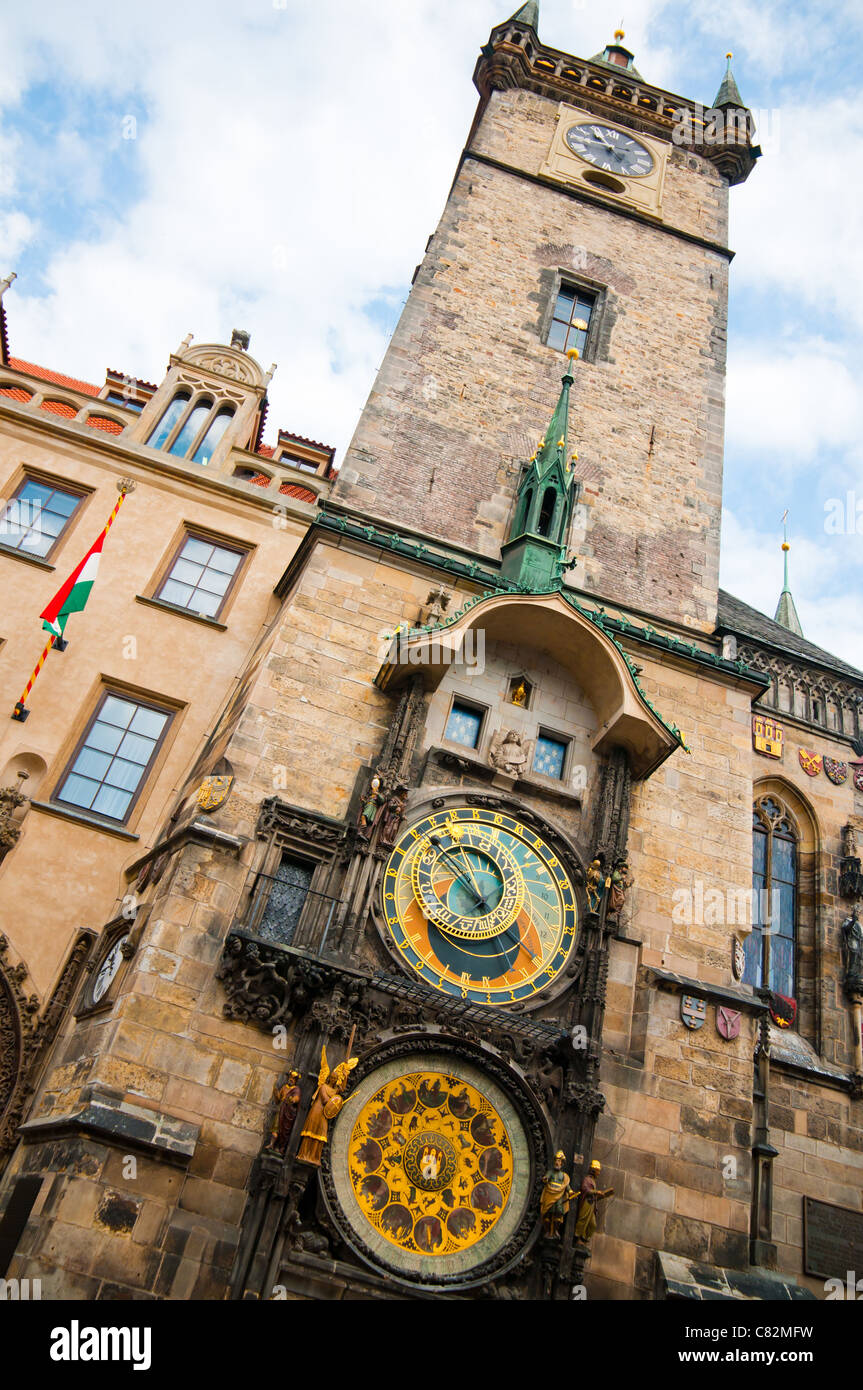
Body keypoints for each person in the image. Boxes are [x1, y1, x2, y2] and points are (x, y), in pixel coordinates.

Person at [296, 1046, 358, 1166]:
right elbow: (325, 1100)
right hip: (318, 1111)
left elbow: (342, 1089)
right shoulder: (324, 1087)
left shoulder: (334, 1090)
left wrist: (345, 1075)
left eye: (336, 1079)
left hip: (324, 1113)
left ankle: (314, 1157)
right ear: (329, 1078)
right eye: (333, 1078)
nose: (334, 1080)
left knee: (322, 1133)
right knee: (312, 1132)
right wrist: (335, 1103)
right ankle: (304, 1154)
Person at [573, 1160, 614, 1244]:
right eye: (598, 1171)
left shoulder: (593, 1181)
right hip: (586, 1204)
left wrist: (602, 1195)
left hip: (591, 1204)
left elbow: (592, 1194)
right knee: (583, 1220)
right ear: (594, 1170)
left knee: (593, 1224)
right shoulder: (587, 1179)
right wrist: (596, 1192)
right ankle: (577, 1237)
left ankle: (584, 1238)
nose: (599, 1173)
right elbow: (585, 1189)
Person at [265, 1070, 302, 1155]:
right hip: (280, 1110)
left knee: (284, 1130)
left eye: (293, 1079)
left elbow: (296, 1098)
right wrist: (276, 1093)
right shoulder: (284, 1087)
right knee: (276, 1127)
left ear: (296, 1080)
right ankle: (272, 1144)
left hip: (287, 1113)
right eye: (290, 1078)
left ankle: (280, 1147)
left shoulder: (296, 1089)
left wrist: (293, 1100)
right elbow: (278, 1100)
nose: (291, 1080)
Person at [540, 1150, 575, 1238]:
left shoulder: (563, 1175)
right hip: (550, 1193)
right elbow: (546, 1177)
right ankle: (548, 1230)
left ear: (562, 1163)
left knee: (558, 1212)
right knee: (547, 1213)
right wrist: (545, 1179)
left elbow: (566, 1185)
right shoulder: (551, 1172)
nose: (557, 1162)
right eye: (556, 1160)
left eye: (559, 1161)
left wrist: (570, 1191)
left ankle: (555, 1230)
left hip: (559, 1194)